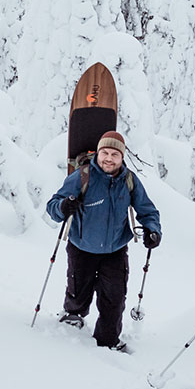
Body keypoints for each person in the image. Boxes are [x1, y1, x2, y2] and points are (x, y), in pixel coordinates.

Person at [44, 132, 162, 352]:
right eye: (105, 153)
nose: (109, 158)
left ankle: (108, 341)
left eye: (114, 154)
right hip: (82, 246)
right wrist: (63, 207)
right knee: (79, 291)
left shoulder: (129, 181)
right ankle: (72, 319)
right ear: (98, 153)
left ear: (122, 157)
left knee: (115, 297)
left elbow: (147, 210)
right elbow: (53, 205)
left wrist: (152, 230)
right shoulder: (82, 176)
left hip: (115, 250)